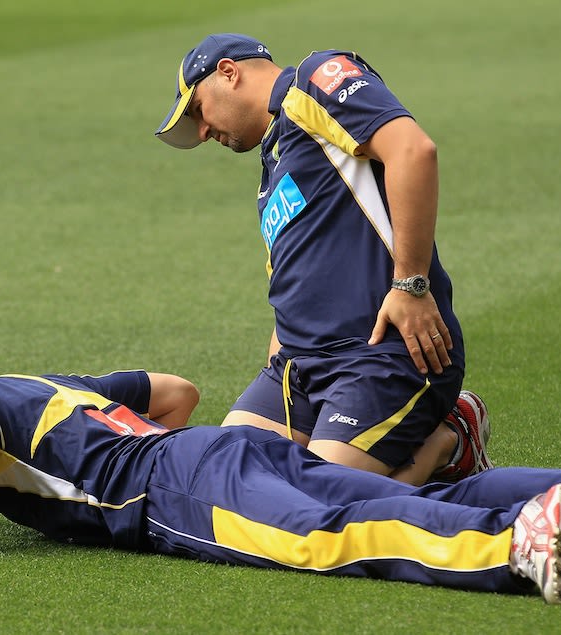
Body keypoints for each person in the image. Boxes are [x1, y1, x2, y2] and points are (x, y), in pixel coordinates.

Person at [0, 330, 561, 605]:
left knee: (338, 536)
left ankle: (513, 542)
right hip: (213, 448)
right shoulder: (38, 381)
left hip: (177, 488)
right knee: (392, 493)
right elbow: (174, 388)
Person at [155, 33, 490, 485]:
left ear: (228, 73)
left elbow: (413, 151)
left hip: (377, 357)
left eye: (197, 110)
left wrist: (411, 283)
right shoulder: (273, 166)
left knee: (315, 502)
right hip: (299, 369)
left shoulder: (316, 81)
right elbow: (301, 274)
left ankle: (450, 438)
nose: (201, 132)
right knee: (226, 479)